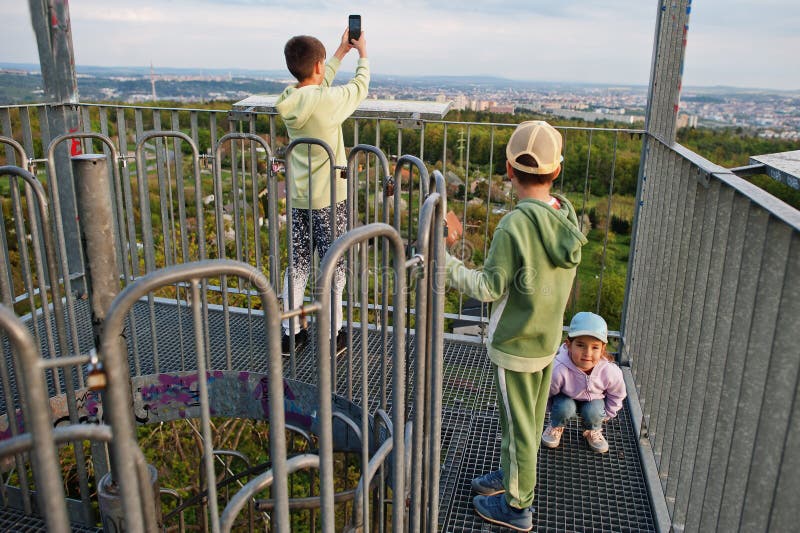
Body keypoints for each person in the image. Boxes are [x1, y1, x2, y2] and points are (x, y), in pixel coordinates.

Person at [446, 121, 587, 531]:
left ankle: (517, 506)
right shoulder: (566, 219)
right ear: (555, 172)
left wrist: (446, 260)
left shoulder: (514, 225)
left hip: (514, 346)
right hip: (546, 342)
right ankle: (509, 476)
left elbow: (488, 288)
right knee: (521, 421)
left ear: (509, 171)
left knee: (521, 428)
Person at [276, 27, 369, 354]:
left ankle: (290, 335)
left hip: (299, 198)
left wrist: (339, 53)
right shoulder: (327, 102)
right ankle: (333, 334)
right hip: (331, 198)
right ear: (318, 66)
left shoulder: (289, 100)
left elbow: (316, 89)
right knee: (334, 266)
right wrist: (363, 55)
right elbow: (359, 89)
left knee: (298, 264)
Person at [541, 311, 627, 454]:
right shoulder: (559, 369)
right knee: (564, 407)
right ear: (568, 344)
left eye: (595, 347)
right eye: (580, 345)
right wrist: (549, 409)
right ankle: (556, 425)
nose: (587, 353)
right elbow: (547, 392)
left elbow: (617, 394)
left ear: (603, 349)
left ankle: (592, 429)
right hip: (565, 398)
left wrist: (608, 414)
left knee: (593, 411)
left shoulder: (609, 371)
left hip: (594, 400)